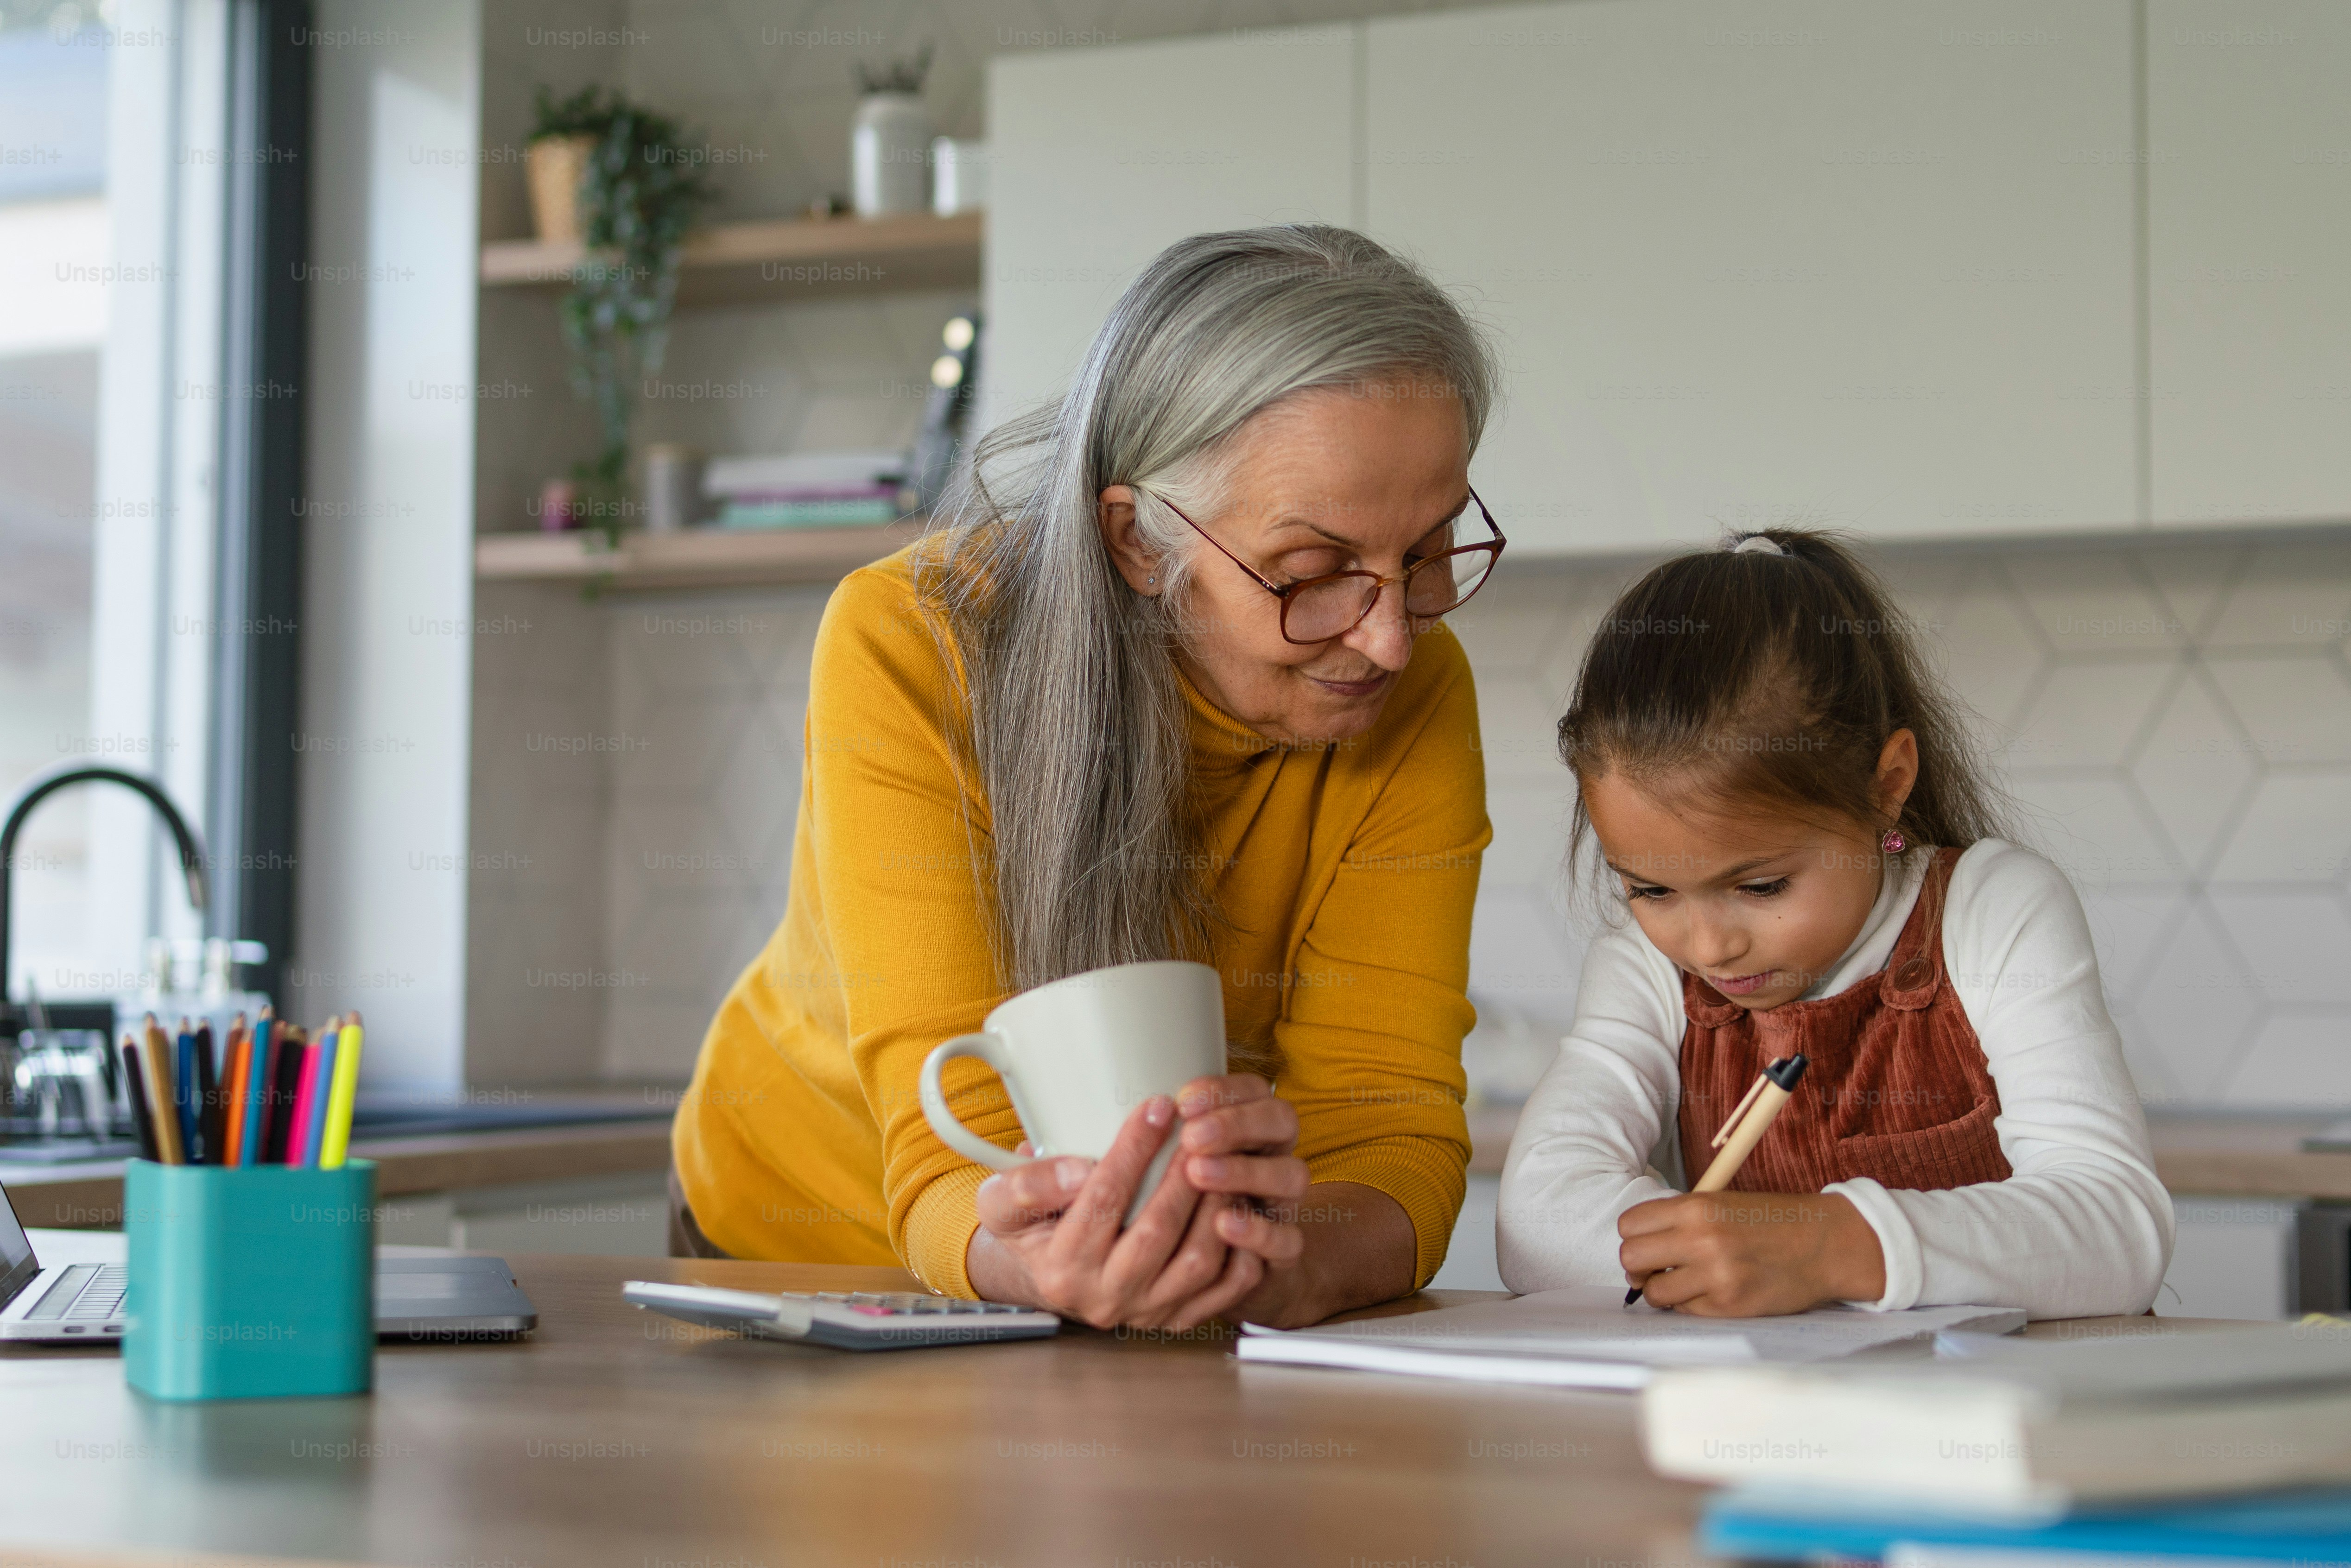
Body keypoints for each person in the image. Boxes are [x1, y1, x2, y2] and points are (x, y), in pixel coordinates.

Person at [671, 226, 1504, 1330]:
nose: (1390, 638)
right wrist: (1058, 1266)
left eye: (1429, 552)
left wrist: (1281, 1261)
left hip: (1140, 1276)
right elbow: (942, 1138)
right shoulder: (915, 641)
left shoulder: (1418, 691)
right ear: (1137, 542)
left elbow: (1387, 1120)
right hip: (796, 1255)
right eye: (1312, 574)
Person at [1497, 529, 2173, 1319]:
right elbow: (1535, 1225)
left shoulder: (1994, 911)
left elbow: (2115, 1233)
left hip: (1996, 1418)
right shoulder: (1644, 971)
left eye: (1761, 885)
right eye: (1651, 890)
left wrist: (1833, 1246)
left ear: (1887, 785)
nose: (1708, 947)